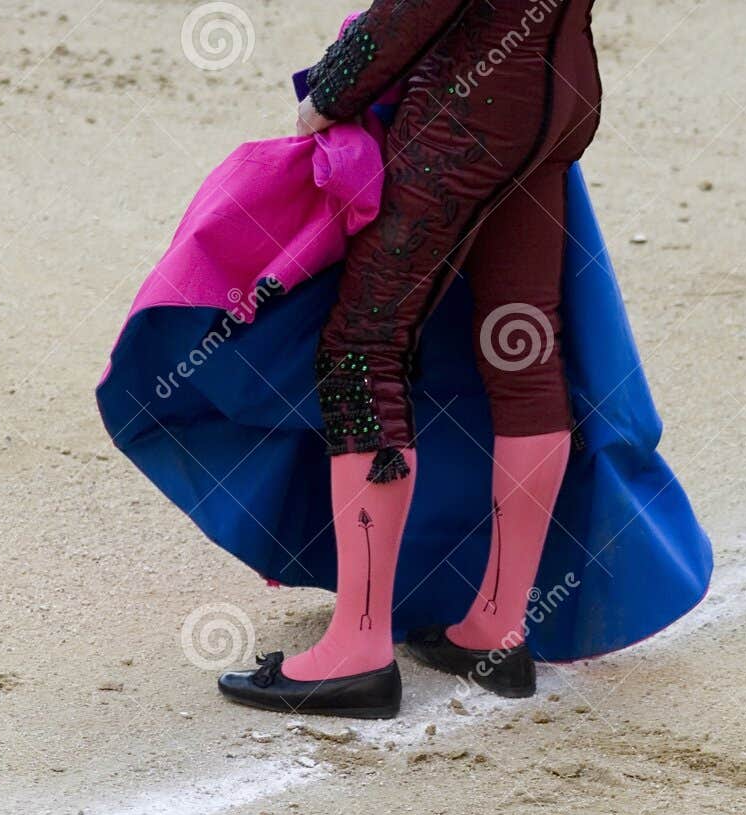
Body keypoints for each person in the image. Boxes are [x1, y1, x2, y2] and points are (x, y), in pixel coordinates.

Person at [218, 0, 604, 717]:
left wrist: (330, 90)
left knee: (362, 349)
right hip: (561, 91)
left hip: (471, 106)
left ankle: (357, 650)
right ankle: (495, 627)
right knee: (521, 345)